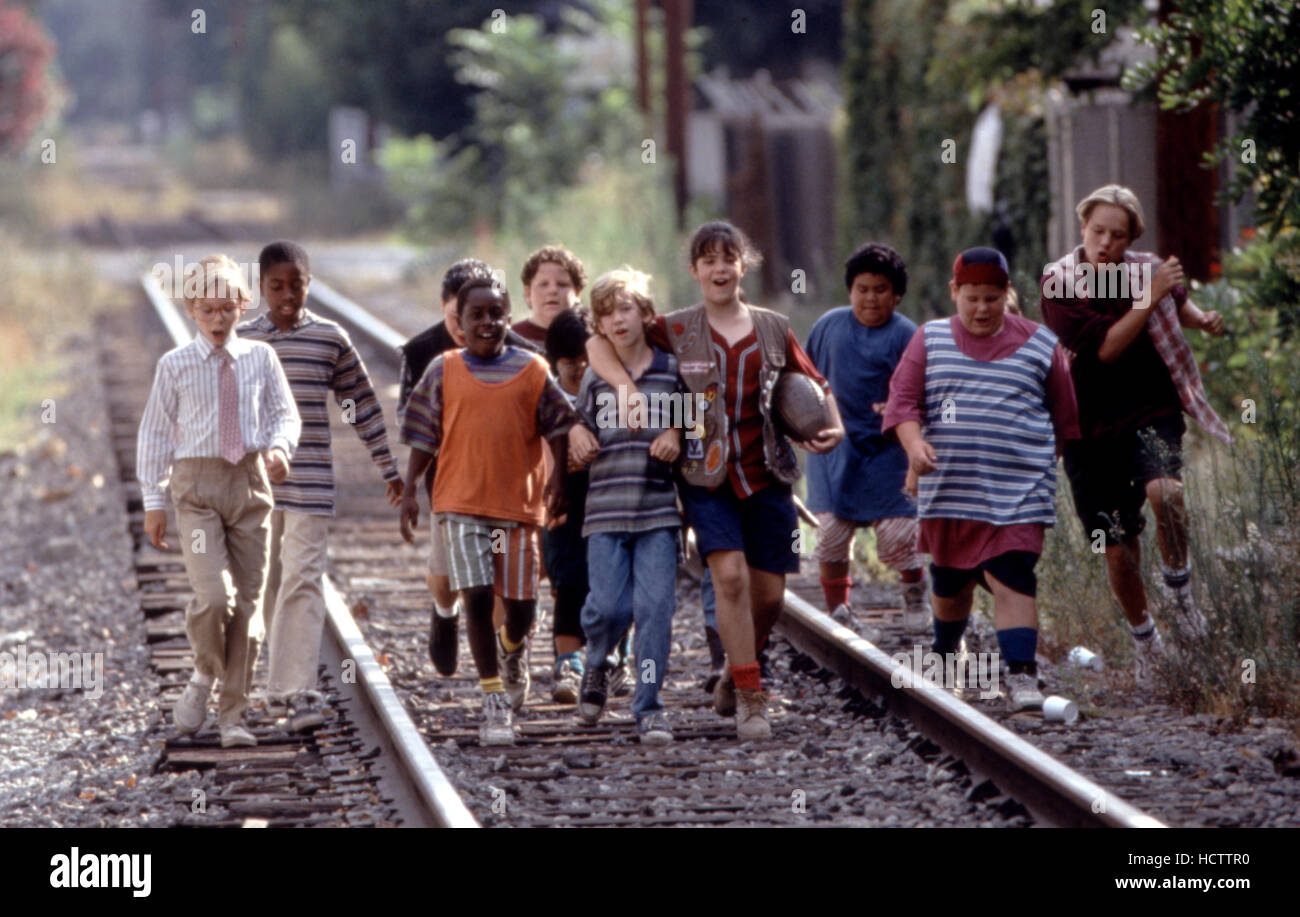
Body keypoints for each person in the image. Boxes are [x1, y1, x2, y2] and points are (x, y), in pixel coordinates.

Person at [577, 221, 844, 740]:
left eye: (729, 259)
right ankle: (750, 696)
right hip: (706, 477)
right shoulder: (674, 328)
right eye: (709, 260)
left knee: (768, 596)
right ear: (694, 270)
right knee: (729, 578)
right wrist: (624, 387)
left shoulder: (772, 326)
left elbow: (817, 382)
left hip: (767, 474)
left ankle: (733, 669)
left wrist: (831, 424)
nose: (720, 269)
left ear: (743, 265)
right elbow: (598, 342)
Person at [1040, 184, 1230, 684]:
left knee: (1166, 492)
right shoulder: (1060, 283)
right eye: (1098, 230)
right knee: (1115, 544)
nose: (1106, 242)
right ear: (1082, 228)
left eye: (1118, 235)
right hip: (1088, 430)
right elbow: (1104, 349)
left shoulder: (1145, 269)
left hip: (1151, 409)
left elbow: (1177, 305)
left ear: (1131, 240)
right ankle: (1145, 638)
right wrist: (1149, 298)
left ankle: (1179, 591)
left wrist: (1201, 320)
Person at [883, 247, 1080, 712]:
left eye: (992, 298)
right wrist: (914, 448)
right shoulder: (929, 340)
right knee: (950, 584)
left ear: (1006, 295)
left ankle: (1022, 677)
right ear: (955, 293)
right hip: (950, 488)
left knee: (1014, 576)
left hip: (1018, 494)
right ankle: (946, 654)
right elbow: (903, 404)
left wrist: (1036, 468)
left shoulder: (1041, 345)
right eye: (972, 298)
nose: (982, 308)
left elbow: (1064, 419)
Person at [399, 275, 575, 746]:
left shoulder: (533, 369)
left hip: (516, 510)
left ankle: (512, 649)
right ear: (459, 320)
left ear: (506, 316)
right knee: (476, 596)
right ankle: (493, 696)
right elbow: (422, 433)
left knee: (519, 606)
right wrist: (412, 488)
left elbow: (558, 423)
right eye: (475, 315)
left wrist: (558, 479)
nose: (486, 323)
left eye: (495, 314)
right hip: (461, 504)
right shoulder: (443, 368)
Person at [238, 241, 403, 732]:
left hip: (310, 481)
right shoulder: (243, 340)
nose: (287, 295)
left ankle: (295, 689)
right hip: (254, 488)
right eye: (276, 286)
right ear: (261, 288)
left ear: (309, 284)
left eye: (297, 285)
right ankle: (267, 682)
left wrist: (387, 465)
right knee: (264, 583)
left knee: (303, 578)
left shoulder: (329, 339)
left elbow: (360, 405)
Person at [137, 253, 300, 747]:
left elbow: (284, 414)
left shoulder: (260, 357)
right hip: (197, 491)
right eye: (207, 310)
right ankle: (204, 674)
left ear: (242, 305)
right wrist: (153, 499)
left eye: (226, 309)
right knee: (214, 597)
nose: (217, 320)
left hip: (249, 486)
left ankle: (233, 716)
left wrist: (278, 448)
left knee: (248, 607)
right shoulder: (175, 365)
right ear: (191, 310)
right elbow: (156, 433)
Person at [395, 259, 536, 678]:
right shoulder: (423, 353)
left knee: (493, 587)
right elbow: (412, 421)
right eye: (463, 316)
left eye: (490, 313)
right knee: (445, 580)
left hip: (509, 493)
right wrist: (408, 486)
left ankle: (502, 660)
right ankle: (443, 613)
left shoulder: (526, 358)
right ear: (447, 309)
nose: (474, 324)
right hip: (451, 487)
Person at [570, 267, 686, 743]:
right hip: (605, 510)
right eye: (605, 313)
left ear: (645, 314)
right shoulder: (596, 379)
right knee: (609, 608)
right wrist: (578, 433)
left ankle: (649, 706)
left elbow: (692, 427)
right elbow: (578, 423)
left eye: (625, 309)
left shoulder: (671, 371)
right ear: (598, 325)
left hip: (658, 511)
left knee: (655, 608)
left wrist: (676, 434)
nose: (617, 319)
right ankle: (597, 661)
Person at [804, 242, 930, 636]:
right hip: (833, 446)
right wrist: (803, 422)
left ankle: (914, 593)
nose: (870, 298)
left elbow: (925, 393)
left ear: (895, 295)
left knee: (899, 535)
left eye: (880, 290)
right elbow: (803, 379)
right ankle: (838, 609)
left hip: (887, 451)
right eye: (862, 289)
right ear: (850, 291)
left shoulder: (908, 335)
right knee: (829, 535)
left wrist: (898, 408)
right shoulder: (828, 326)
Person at [541, 307, 594, 703]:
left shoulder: (611, 389)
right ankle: (568, 661)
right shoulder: (544, 394)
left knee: (608, 579)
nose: (578, 369)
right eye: (569, 362)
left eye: (585, 360)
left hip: (606, 498)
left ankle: (613, 653)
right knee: (566, 580)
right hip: (558, 501)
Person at [511, 245, 586, 348]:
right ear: (528, 292)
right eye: (543, 284)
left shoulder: (588, 338)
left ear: (577, 293)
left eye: (562, 284)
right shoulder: (511, 338)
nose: (553, 290)